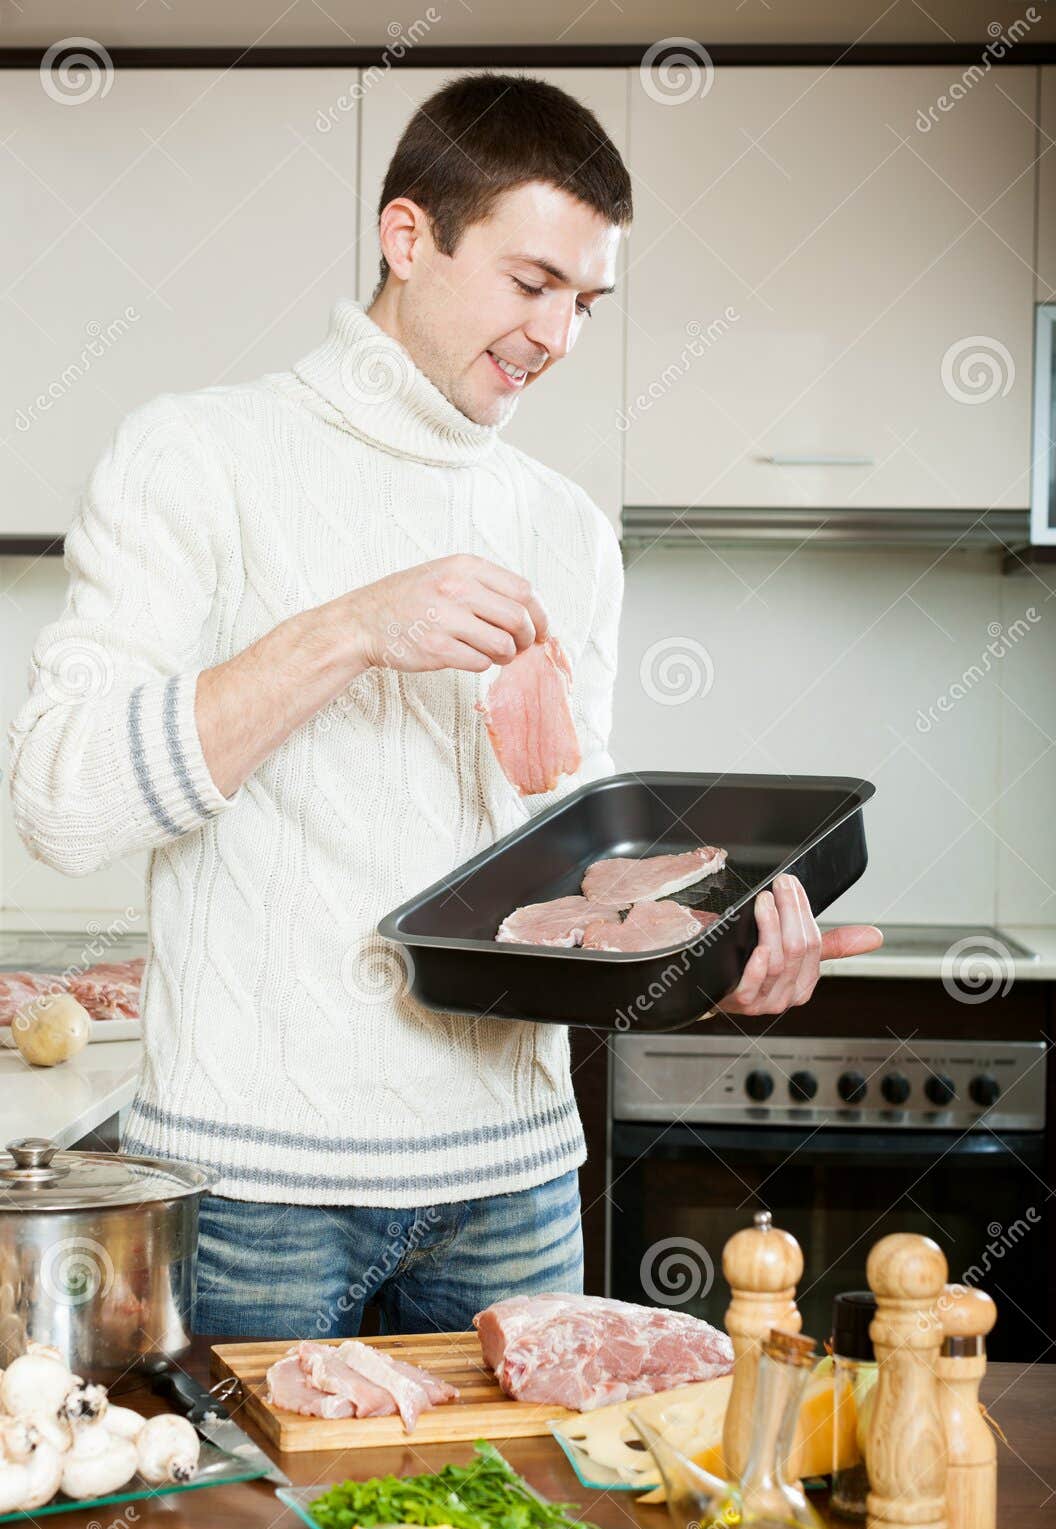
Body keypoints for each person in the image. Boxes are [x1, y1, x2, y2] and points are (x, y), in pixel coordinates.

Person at [8, 75, 881, 1340]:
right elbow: (58, 800)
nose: (559, 336)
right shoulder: (192, 456)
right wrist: (352, 630)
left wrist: (698, 963)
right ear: (408, 236)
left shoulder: (567, 528)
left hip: (515, 1176)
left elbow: (573, 854)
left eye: (586, 302)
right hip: (256, 1183)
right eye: (532, 284)